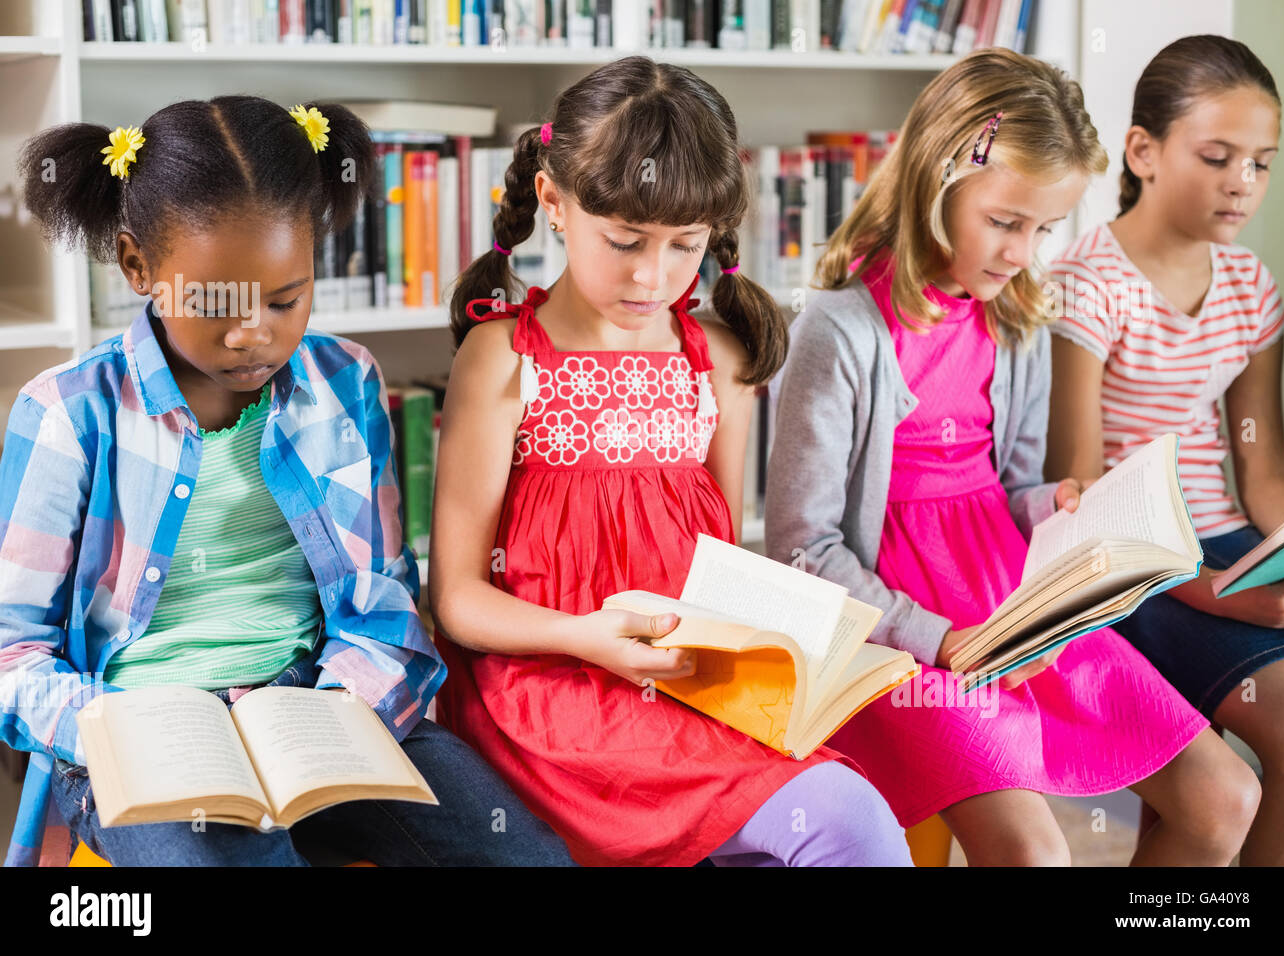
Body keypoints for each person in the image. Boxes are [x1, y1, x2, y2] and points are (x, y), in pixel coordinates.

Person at [0, 95, 573, 866]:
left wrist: (332, 721)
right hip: (141, 729)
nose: (254, 334)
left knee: (522, 856)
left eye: (285, 299)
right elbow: (13, 654)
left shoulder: (346, 382)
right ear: (139, 265)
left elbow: (382, 600)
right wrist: (111, 726)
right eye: (214, 303)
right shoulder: (69, 414)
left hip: (317, 703)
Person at [765, 48, 1259, 866]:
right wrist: (936, 638)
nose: (1022, 252)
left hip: (1015, 608)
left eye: (1043, 228)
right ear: (937, 183)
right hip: (901, 637)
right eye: (1004, 222)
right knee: (1036, 854)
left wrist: (1054, 502)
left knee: (1225, 796)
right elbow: (800, 549)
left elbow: (1011, 488)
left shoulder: (1018, 320)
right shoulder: (840, 330)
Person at [430, 56, 913, 867]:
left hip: (691, 687)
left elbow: (724, 568)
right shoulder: (504, 356)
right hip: (552, 694)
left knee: (853, 821)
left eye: (685, 245)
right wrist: (587, 637)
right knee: (836, 820)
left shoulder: (716, 361)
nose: (651, 276)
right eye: (624, 241)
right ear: (553, 201)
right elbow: (458, 601)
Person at [1047, 35, 1284, 865]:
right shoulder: (1089, 285)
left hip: (1227, 552)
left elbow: (1260, 465)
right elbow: (1076, 496)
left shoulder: (1251, 289)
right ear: (1143, 152)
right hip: (1130, 567)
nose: (1243, 182)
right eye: (1219, 156)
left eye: (1262, 163)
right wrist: (1224, 598)